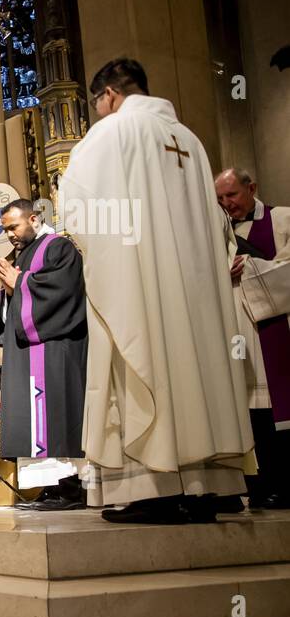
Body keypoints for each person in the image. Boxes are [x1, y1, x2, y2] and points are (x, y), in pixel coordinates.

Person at [60, 58, 252, 523]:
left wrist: (119, 252)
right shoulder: (190, 140)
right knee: (197, 374)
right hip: (196, 290)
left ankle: (155, 490)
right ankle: (208, 486)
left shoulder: (112, 134)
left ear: (108, 95)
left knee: (149, 365)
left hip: (143, 283)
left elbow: (79, 209)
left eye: (98, 104)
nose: (99, 113)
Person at [0, 199, 89, 510]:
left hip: (54, 350)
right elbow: (12, 304)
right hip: (28, 352)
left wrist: (21, 284)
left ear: (33, 217)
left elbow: (65, 291)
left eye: (14, 227)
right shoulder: (25, 253)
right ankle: (47, 487)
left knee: (56, 413)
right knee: (34, 418)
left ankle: (70, 489)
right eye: (6, 231)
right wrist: (8, 294)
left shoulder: (59, 247)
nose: (11, 235)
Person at [216, 166, 290, 508]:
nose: (226, 203)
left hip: (273, 327)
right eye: (220, 198)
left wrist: (252, 265)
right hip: (235, 332)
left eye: (231, 195)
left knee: (277, 407)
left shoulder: (282, 220)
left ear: (252, 188)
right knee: (247, 409)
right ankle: (257, 483)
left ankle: (285, 482)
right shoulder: (217, 232)